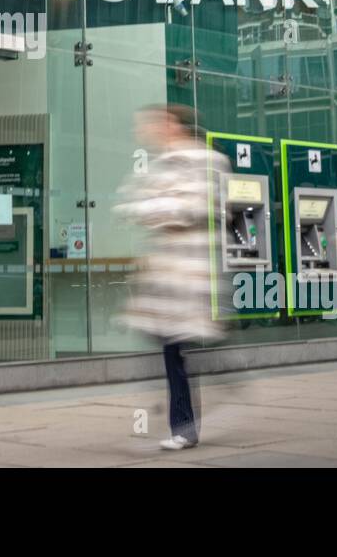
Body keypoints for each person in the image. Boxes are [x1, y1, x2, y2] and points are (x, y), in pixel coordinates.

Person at [116, 104, 227, 450]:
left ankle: (186, 425)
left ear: (174, 124)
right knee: (172, 348)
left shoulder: (206, 161)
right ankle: (187, 421)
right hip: (166, 280)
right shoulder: (162, 163)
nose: (149, 130)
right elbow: (134, 202)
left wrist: (153, 209)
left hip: (189, 276)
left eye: (155, 123)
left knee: (176, 349)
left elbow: (189, 208)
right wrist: (151, 208)